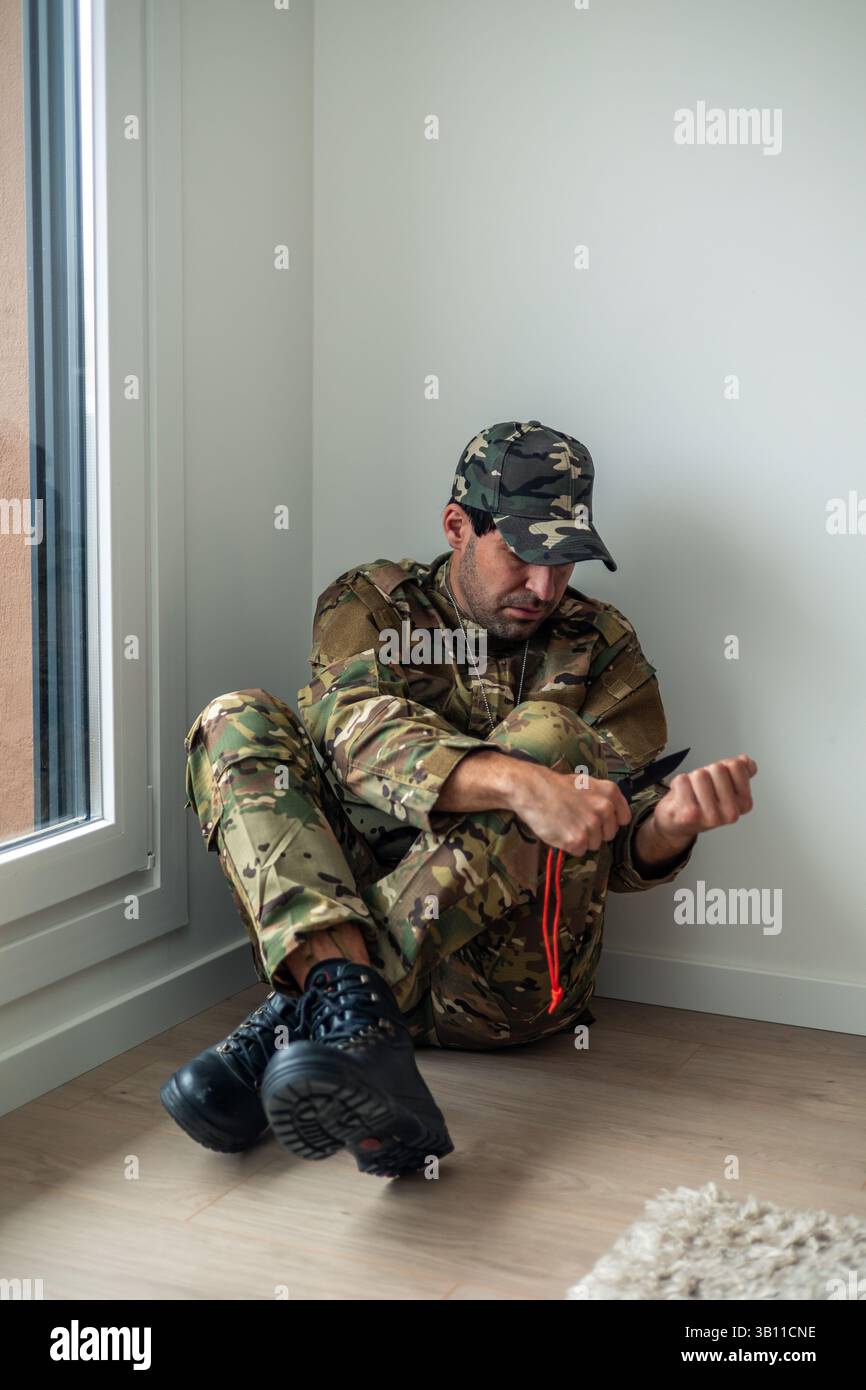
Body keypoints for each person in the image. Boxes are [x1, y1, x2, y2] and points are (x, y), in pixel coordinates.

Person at [160, 420, 757, 1178]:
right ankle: (355, 1028)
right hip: (344, 951)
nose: (545, 587)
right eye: (524, 555)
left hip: (505, 993)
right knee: (233, 717)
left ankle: (305, 1017)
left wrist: (666, 826)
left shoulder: (601, 644)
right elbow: (350, 737)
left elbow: (614, 852)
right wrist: (517, 782)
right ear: (457, 526)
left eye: (565, 561)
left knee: (555, 740)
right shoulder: (371, 604)